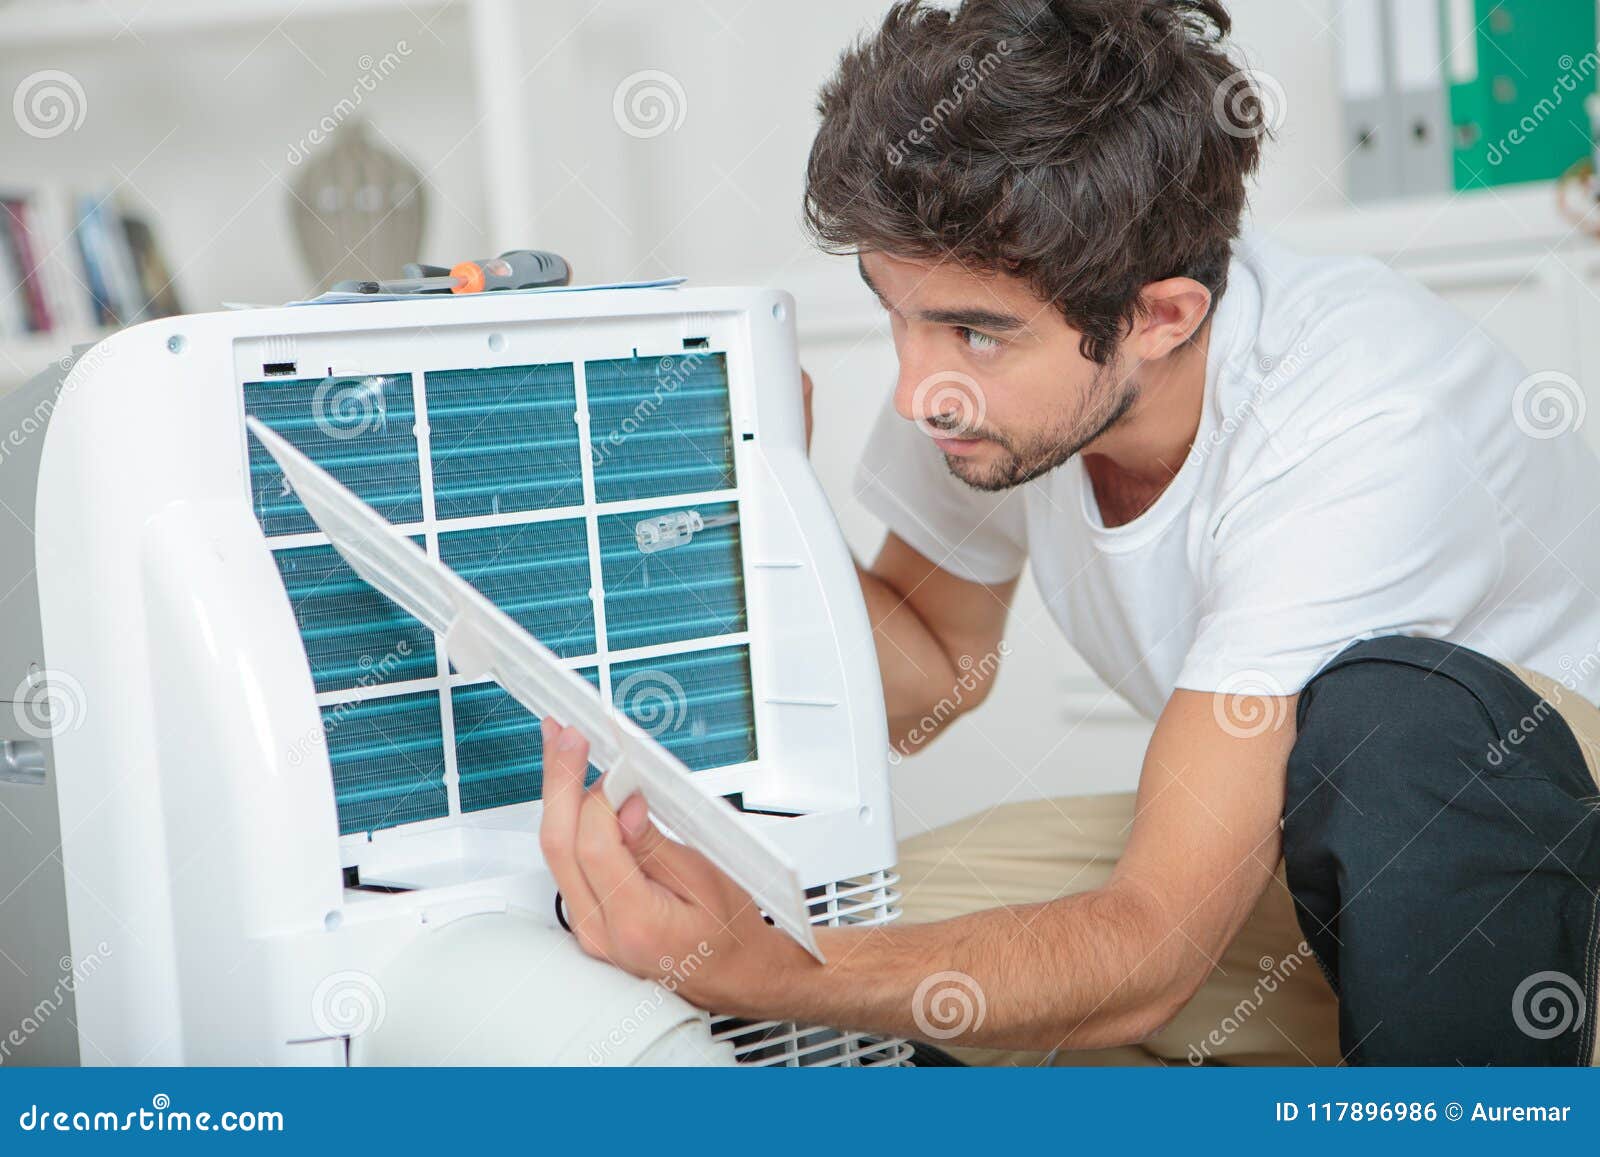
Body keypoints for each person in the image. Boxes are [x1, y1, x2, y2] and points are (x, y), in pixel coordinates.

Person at [538, 0, 1600, 1065]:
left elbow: (1149, 941)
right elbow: (926, 669)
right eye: (894, 310)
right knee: (851, 943)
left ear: (1160, 317)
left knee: (1390, 718)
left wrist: (769, 965)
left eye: (973, 333)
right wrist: (749, 503)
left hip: (1524, 872)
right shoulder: (986, 387)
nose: (916, 391)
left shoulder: (1358, 424)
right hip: (1291, 854)